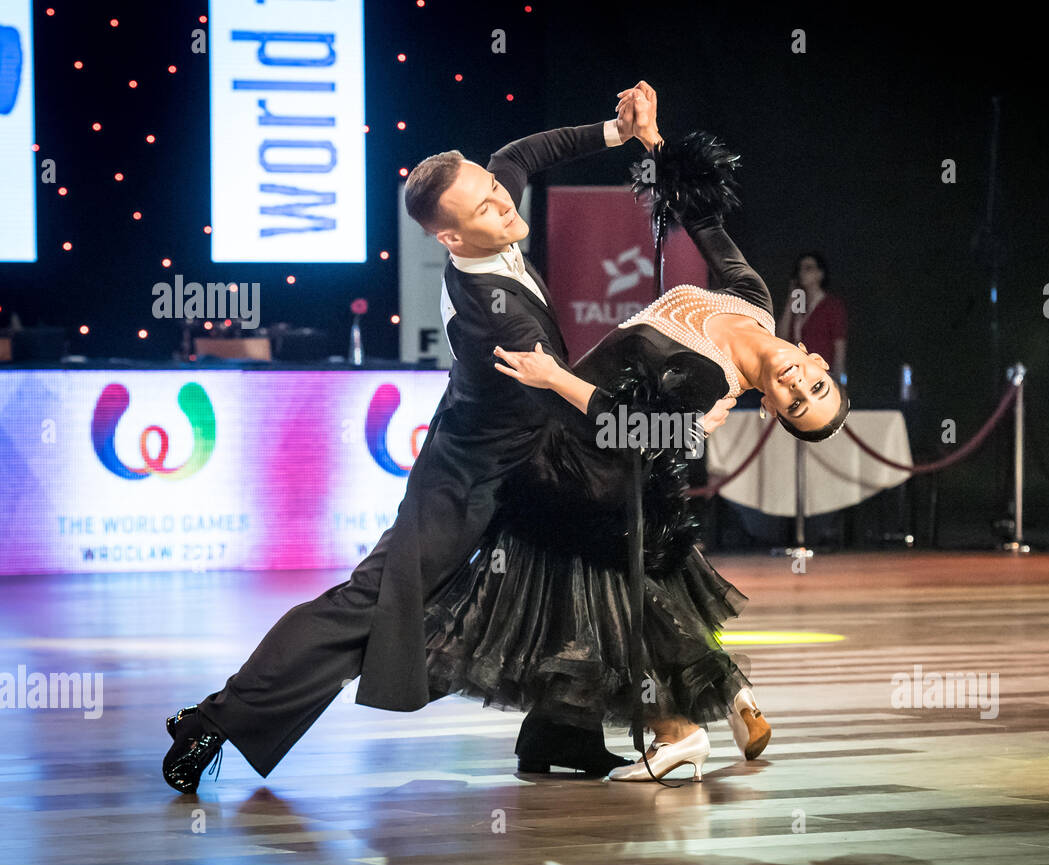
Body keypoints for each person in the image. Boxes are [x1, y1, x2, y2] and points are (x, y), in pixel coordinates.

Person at [162, 83, 715, 792]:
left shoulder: (495, 201)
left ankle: (560, 732)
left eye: (494, 190)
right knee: (373, 601)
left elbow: (521, 153)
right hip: (470, 479)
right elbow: (575, 405)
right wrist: (671, 424)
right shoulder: (496, 321)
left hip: (532, 459)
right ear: (450, 238)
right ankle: (216, 719)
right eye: (484, 206)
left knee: (579, 565)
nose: (503, 202)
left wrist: (618, 130)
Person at [428, 96, 848, 782]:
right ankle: (563, 736)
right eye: (814, 386)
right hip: (589, 469)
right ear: (817, 363)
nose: (799, 387)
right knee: (588, 598)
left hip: (582, 471)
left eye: (794, 402)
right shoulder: (753, 299)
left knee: (597, 598)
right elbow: (701, 216)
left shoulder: (713, 380)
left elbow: (629, 424)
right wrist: (652, 141)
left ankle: (678, 729)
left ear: (770, 408)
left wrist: (551, 376)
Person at [777, 252, 848, 386]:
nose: (802, 273)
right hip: (796, 378)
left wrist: (839, 384)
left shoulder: (831, 305)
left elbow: (839, 348)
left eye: (808, 268)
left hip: (822, 377)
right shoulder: (798, 306)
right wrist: (790, 302)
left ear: (820, 274)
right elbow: (781, 338)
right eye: (800, 269)